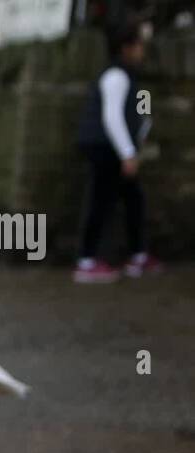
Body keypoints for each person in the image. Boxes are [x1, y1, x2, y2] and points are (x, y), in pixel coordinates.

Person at [73, 22, 162, 284]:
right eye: (138, 45)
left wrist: (143, 131)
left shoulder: (135, 79)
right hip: (105, 147)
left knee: (133, 200)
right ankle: (86, 261)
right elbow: (111, 116)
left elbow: (143, 109)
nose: (142, 51)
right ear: (126, 48)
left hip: (120, 149)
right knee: (100, 200)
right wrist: (127, 153)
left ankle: (138, 255)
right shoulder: (116, 76)